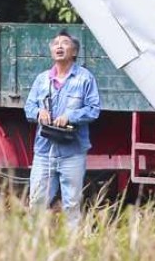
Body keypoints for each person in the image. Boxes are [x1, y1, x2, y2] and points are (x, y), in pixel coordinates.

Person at [24, 30, 101, 227]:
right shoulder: (42, 79)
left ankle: (72, 251)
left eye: (64, 43)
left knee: (72, 205)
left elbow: (93, 110)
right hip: (44, 152)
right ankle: (34, 250)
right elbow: (28, 108)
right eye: (55, 43)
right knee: (36, 204)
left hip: (73, 152)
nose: (59, 46)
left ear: (74, 51)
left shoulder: (85, 78)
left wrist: (71, 116)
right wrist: (38, 113)